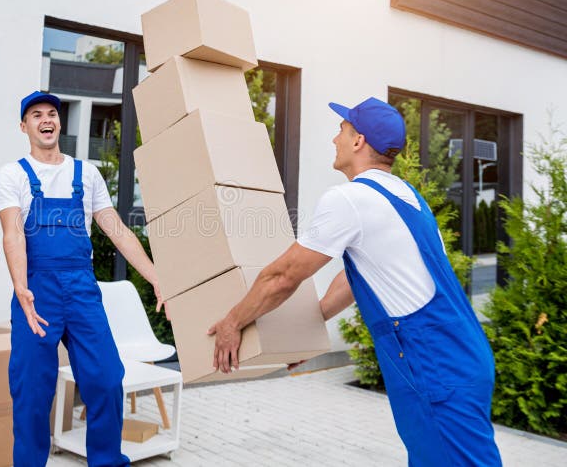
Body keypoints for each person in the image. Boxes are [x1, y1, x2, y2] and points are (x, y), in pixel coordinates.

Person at [209, 97, 501, 466]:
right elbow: (354, 279)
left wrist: (232, 322)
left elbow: (283, 276)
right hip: (459, 355)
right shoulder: (409, 198)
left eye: (342, 131)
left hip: (434, 363)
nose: (335, 139)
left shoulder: (350, 199)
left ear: (359, 141)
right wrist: (305, 334)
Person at [0, 90, 163, 467]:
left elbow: (117, 231)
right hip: (36, 293)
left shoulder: (85, 174)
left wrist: (155, 277)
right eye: (36, 115)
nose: (46, 120)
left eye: (51, 113)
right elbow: (13, 234)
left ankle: (107, 461)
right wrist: (21, 287)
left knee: (106, 379)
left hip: (81, 291)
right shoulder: (13, 174)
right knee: (31, 393)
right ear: (24, 127)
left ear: (60, 122)